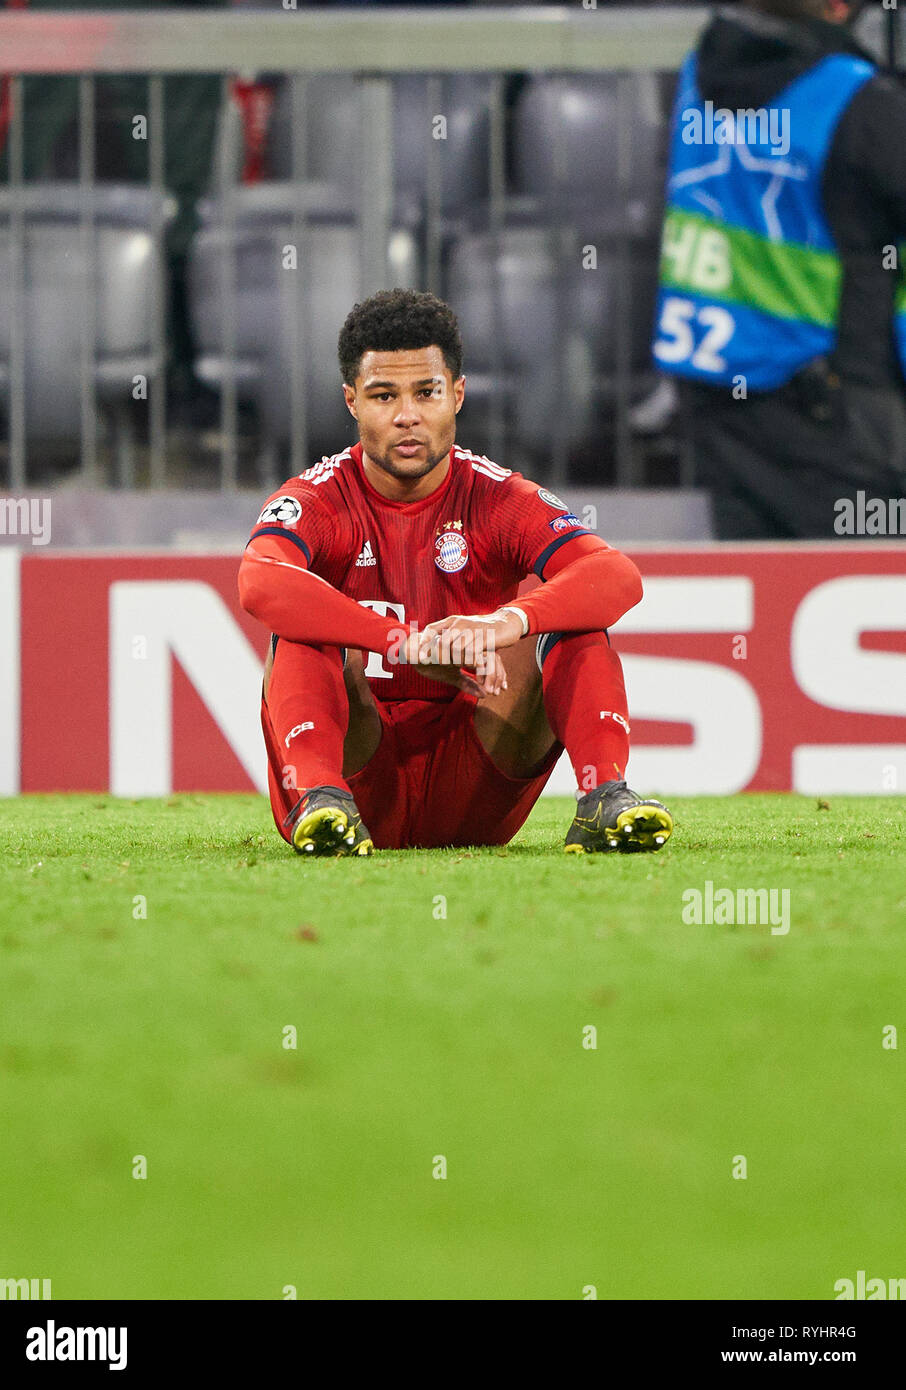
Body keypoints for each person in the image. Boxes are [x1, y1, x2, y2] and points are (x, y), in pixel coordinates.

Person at [238, 289, 673, 856]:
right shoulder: (318, 498)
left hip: (473, 778)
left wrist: (509, 620)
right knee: (297, 626)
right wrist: (399, 643)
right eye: (383, 395)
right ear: (352, 402)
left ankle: (604, 797)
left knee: (573, 617)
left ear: (457, 394)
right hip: (361, 777)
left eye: (427, 392)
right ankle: (321, 800)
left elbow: (617, 577)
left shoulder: (501, 497)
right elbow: (261, 581)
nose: (406, 416)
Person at [652, 0, 906, 538]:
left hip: (719, 397)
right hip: (837, 412)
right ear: (839, 8)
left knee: (768, 600)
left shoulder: (699, 70)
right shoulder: (864, 102)